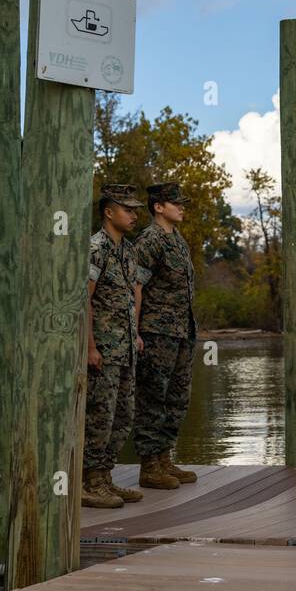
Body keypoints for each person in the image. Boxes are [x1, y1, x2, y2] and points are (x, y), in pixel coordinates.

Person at [133, 182, 200, 490]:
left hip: (181, 330)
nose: (181, 207)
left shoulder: (178, 240)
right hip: (157, 331)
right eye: (175, 203)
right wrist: (135, 330)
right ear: (158, 206)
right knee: (153, 397)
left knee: (177, 396)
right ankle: (149, 466)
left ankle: (164, 458)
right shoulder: (150, 240)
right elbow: (137, 286)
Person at [83, 184, 146, 509]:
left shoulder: (128, 249)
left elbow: (127, 299)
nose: (134, 215)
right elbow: (84, 301)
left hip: (124, 349)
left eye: (136, 209)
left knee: (122, 417)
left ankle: (105, 478)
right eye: (127, 209)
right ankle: (88, 481)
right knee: (99, 417)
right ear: (109, 211)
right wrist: (90, 347)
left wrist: (134, 334)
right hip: (103, 352)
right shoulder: (95, 248)